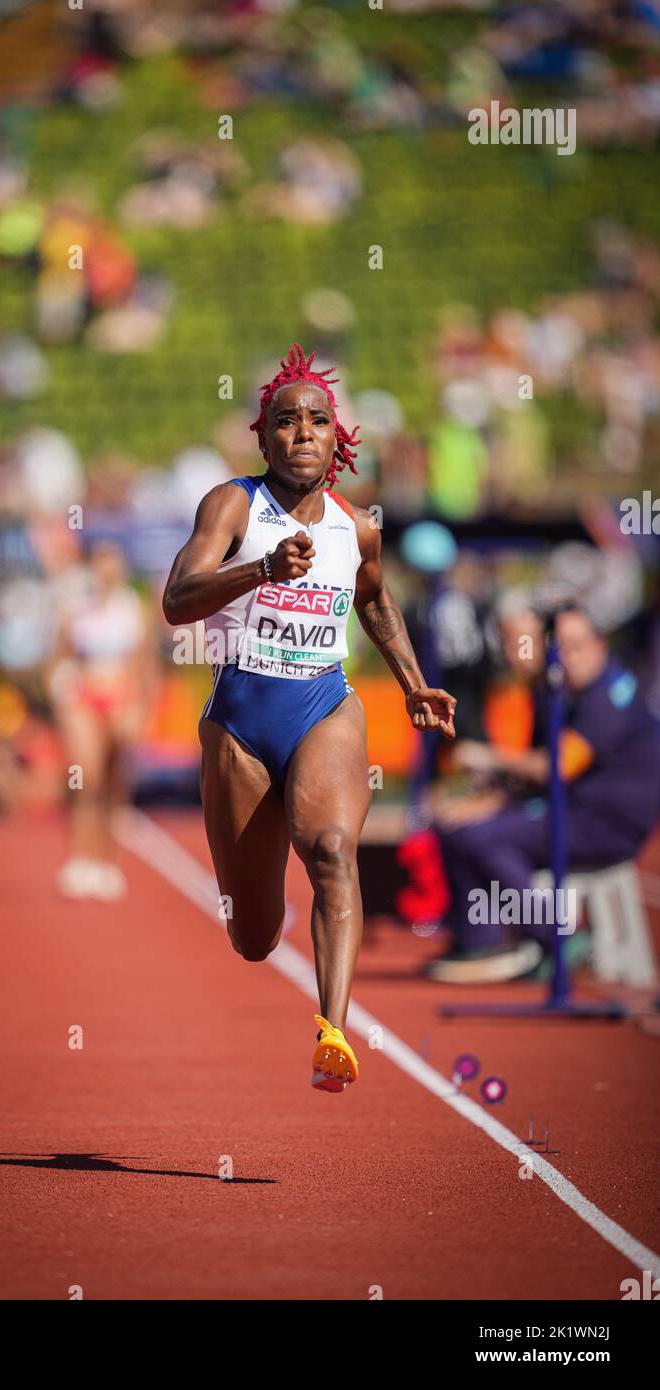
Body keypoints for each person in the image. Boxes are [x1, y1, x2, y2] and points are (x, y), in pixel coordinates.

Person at [162, 344, 456, 1092]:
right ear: (263, 439)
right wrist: (259, 569)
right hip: (239, 722)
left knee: (330, 848)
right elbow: (177, 601)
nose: (301, 433)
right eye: (285, 422)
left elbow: (376, 601)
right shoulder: (232, 505)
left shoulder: (357, 531)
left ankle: (334, 1030)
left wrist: (415, 684)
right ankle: (265, 921)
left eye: (317, 421)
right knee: (254, 938)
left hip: (325, 702)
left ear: (338, 439)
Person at [429, 604, 660, 983]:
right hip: (572, 810)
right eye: (560, 647)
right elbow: (536, 776)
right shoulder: (563, 691)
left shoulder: (607, 694)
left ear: (601, 645)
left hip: (605, 823)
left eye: (577, 646)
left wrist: (486, 758)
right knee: (460, 828)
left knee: (480, 839)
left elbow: (555, 767)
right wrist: (485, 800)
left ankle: (554, 940)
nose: (567, 657)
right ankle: (479, 940)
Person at [50, 541, 155, 901]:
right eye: (100, 563)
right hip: (84, 697)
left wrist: (140, 707)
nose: (106, 571)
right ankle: (80, 858)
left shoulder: (133, 609)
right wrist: (63, 693)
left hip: (121, 696)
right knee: (85, 776)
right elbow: (60, 656)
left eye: (112, 563)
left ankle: (109, 862)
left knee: (114, 781)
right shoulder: (76, 607)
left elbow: (144, 666)